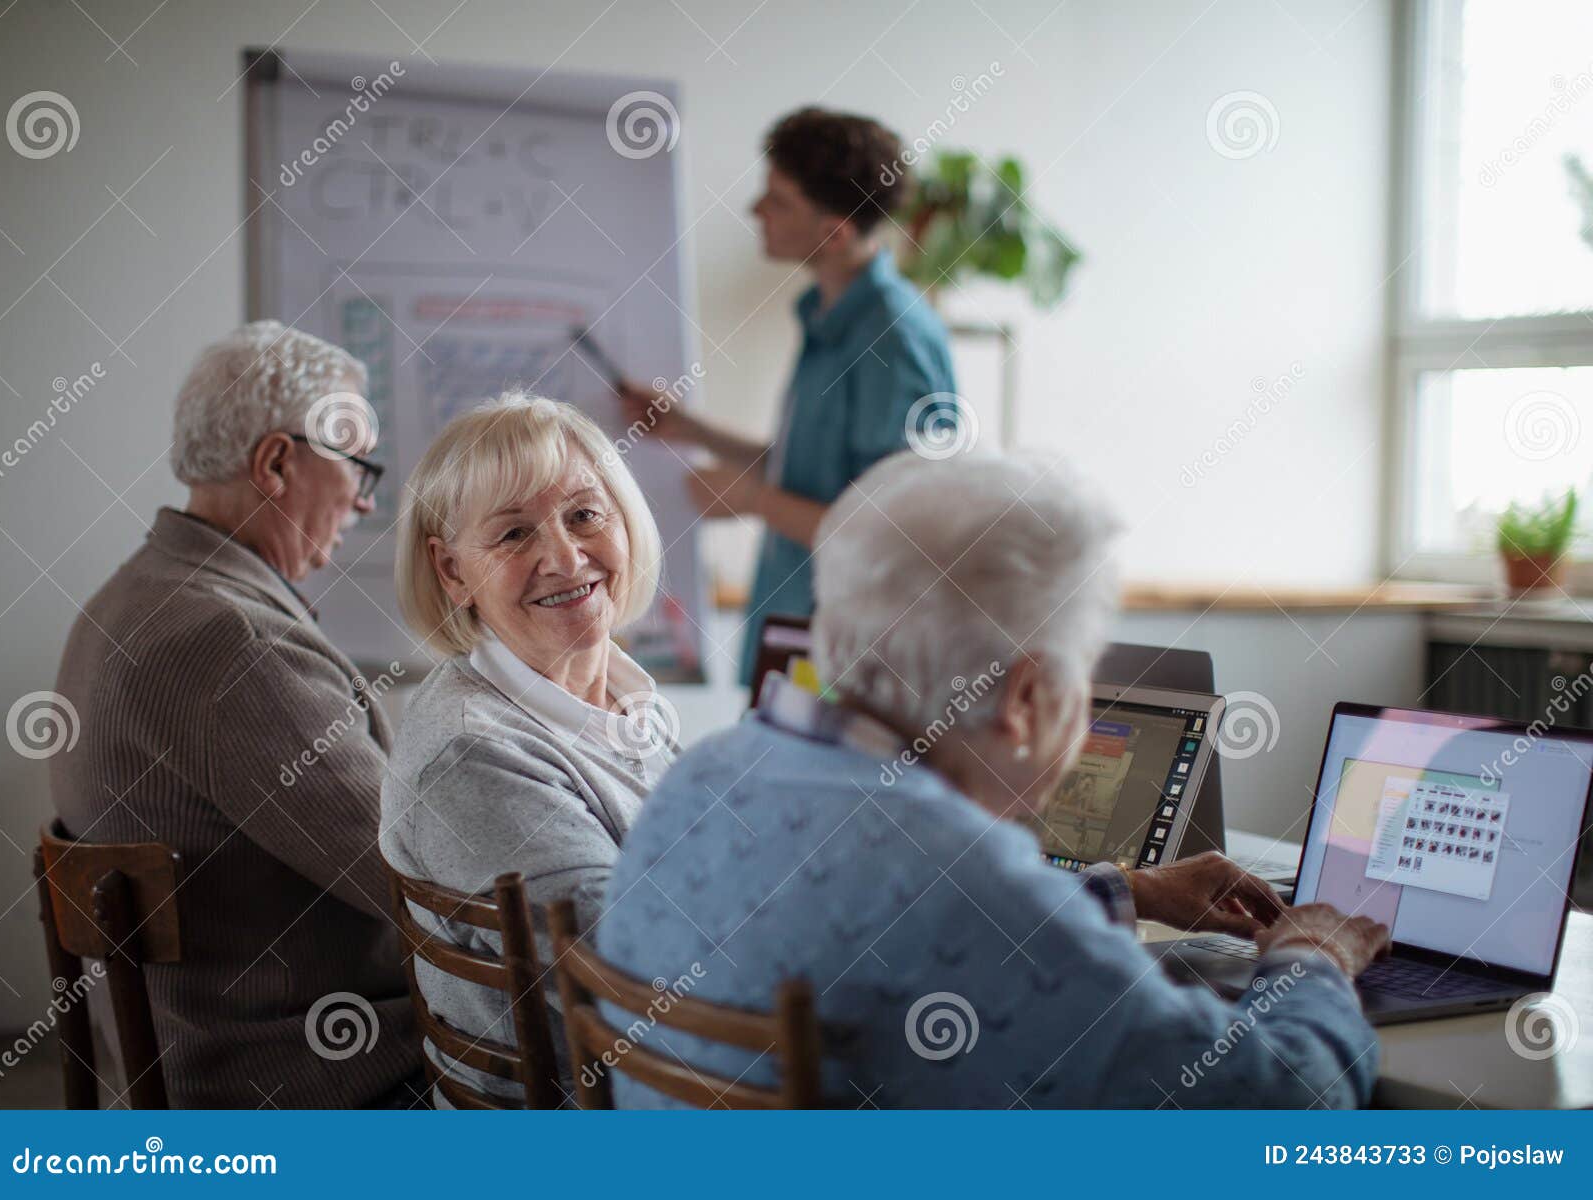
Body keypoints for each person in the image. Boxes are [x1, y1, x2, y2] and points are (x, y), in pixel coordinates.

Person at [595, 451, 1390, 1108]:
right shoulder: (960, 876)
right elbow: (1282, 1103)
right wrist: (1310, 957)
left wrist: (1124, 893)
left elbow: (885, 941)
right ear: (1027, 698)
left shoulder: (703, 774)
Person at [50, 320, 421, 1108]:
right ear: (278, 463)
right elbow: (415, 877)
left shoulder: (126, 599)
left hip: (192, 1063)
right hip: (304, 1085)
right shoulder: (233, 641)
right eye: (358, 466)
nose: (362, 499)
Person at [381, 392, 672, 1105]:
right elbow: (644, 974)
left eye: (584, 515)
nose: (565, 557)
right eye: (514, 535)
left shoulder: (630, 700)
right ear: (452, 571)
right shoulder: (471, 755)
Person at [619, 106, 958, 684]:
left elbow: (892, 532)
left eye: (777, 199)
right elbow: (810, 475)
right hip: (795, 636)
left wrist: (752, 500)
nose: (755, 210)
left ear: (835, 232)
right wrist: (692, 430)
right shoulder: (829, 315)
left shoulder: (894, 338)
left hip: (851, 659)